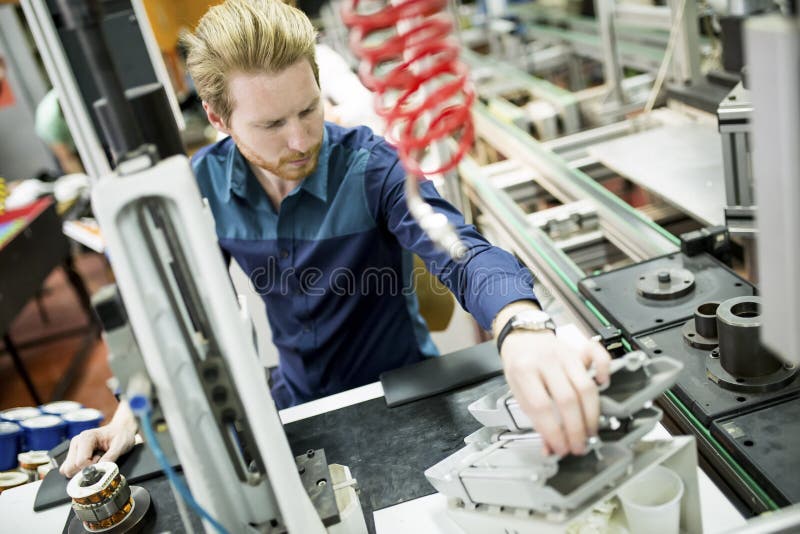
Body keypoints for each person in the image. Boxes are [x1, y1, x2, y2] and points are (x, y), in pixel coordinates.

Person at [61, 0, 610, 477]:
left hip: (403, 393)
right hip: (296, 407)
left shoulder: (371, 167)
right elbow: (177, 312)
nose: (300, 140)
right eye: (271, 125)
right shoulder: (202, 186)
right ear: (218, 118)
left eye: (308, 109)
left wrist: (520, 323)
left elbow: (462, 254)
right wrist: (132, 411)